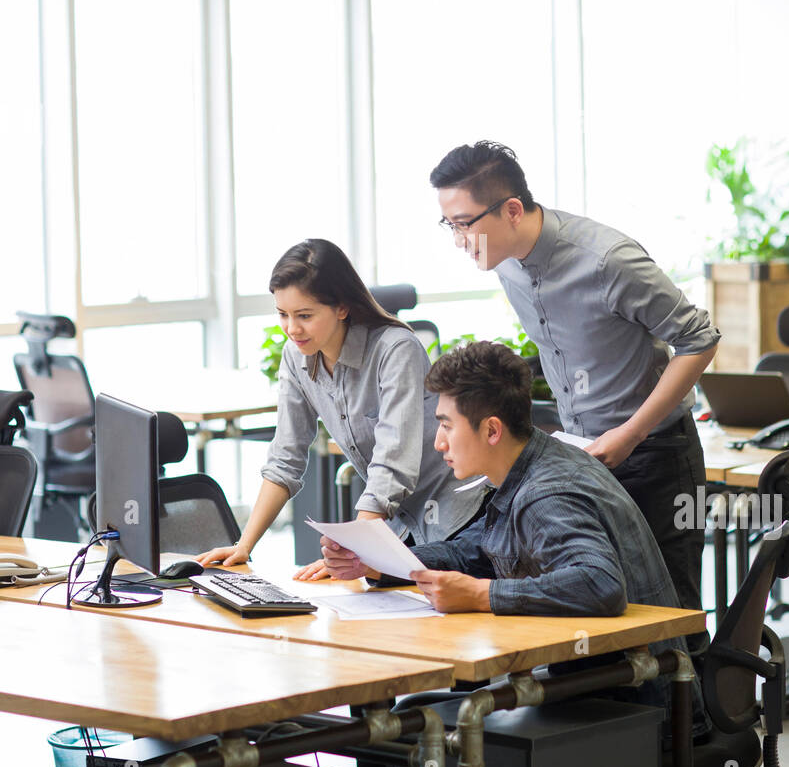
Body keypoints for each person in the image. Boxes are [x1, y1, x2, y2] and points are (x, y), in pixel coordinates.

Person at [319, 342, 708, 732]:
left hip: (637, 711)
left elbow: (600, 584)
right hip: (608, 689)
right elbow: (475, 549)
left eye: (446, 425)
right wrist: (381, 562)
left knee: (406, 724)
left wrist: (479, 595)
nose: (439, 443)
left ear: (491, 430)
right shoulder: (533, 462)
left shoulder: (547, 493)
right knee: (417, 711)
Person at [427, 141, 720, 645]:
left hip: (656, 453)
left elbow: (700, 338)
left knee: (669, 619)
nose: (459, 240)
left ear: (511, 210)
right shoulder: (504, 260)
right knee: (590, 608)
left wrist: (629, 433)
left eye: (464, 223)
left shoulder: (607, 260)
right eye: (449, 226)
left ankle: (696, 725)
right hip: (581, 456)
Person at [198, 239, 487, 574]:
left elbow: (391, 465)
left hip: (459, 520)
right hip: (396, 529)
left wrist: (353, 549)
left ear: (341, 308)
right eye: (283, 315)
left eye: (304, 315)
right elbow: (285, 458)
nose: (292, 329)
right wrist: (243, 546)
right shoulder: (297, 357)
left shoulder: (396, 350)